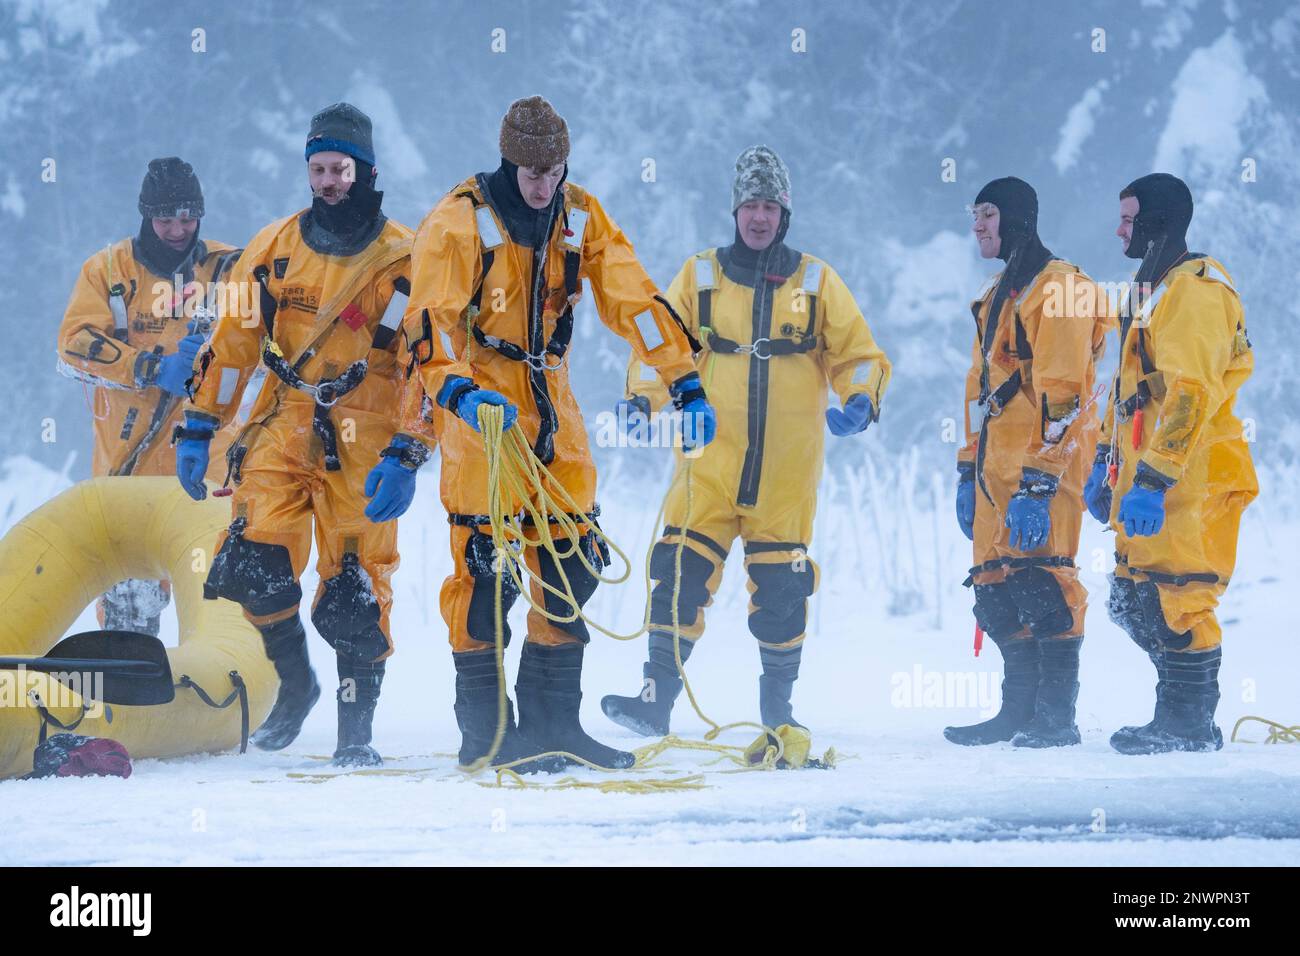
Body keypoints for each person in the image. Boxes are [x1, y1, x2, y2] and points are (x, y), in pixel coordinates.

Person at [403, 95, 714, 771]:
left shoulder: (579, 215)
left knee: (573, 566)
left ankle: (552, 725)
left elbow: (633, 294)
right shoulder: (458, 223)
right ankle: (487, 737)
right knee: (486, 577)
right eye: (531, 172)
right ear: (507, 162)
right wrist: (457, 388)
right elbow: (428, 321)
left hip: (555, 417)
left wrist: (682, 376)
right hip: (481, 419)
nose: (544, 185)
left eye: (554, 171)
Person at [600, 146, 892, 745]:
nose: (759, 217)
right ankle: (654, 702)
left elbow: (859, 354)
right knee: (676, 577)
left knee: (783, 594)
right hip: (706, 467)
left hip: (786, 477)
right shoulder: (699, 277)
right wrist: (642, 398)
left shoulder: (815, 281)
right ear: (734, 210)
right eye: (749, 205)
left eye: (770, 206)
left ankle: (778, 715)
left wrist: (860, 397)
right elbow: (661, 347)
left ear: (785, 213)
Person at [178, 103, 435, 767]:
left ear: (366, 170)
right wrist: (199, 424)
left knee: (353, 587)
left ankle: (356, 732)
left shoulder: (406, 259)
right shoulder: (275, 248)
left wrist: (409, 450)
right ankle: (297, 686)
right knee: (254, 558)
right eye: (318, 168)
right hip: (284, 419)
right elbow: (230, 342)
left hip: (368, 437)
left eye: (340, 168)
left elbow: (426, 365)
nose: (328, 181)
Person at [1084, 173, 1256, 754]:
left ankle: (1187, 724)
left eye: (1129, 219)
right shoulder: (1154, 289)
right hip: (1147, 474)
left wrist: (1154, 478)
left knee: (1180, 599)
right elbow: (1130, 389)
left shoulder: (1198, 291)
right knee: (1135, 600)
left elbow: (1192, 393)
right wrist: (1106, 462)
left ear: (1159, 221)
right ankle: (1178, 715)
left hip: (1194, 474)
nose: (1119, 230)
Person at [945, 177, 1107, 749]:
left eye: (988, 215)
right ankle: (1017, 712)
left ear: (1017, 217)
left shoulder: (1061, 290)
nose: (978, 226)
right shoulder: (997, 294)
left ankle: (1056, 719)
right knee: (995, 589)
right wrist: (967, 469)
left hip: (1047, 470)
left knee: (1044, 585)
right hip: (994, 469)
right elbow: (977, 387)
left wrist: (1039, 482)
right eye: (975, 215)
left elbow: (1064, 394)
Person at [57, 157, 241, 636]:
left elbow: (266, 339)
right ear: (145, 215)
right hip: (128, 466)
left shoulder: (228, 269)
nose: (178, 230)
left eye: (187, 218)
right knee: (130, 615)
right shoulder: (108, 272)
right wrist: (149, 368)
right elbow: (73, 345)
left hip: (209, 464)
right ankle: (131, 695)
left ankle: (227, 697)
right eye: (165, 219)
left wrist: (211, 362)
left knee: (220, 602)